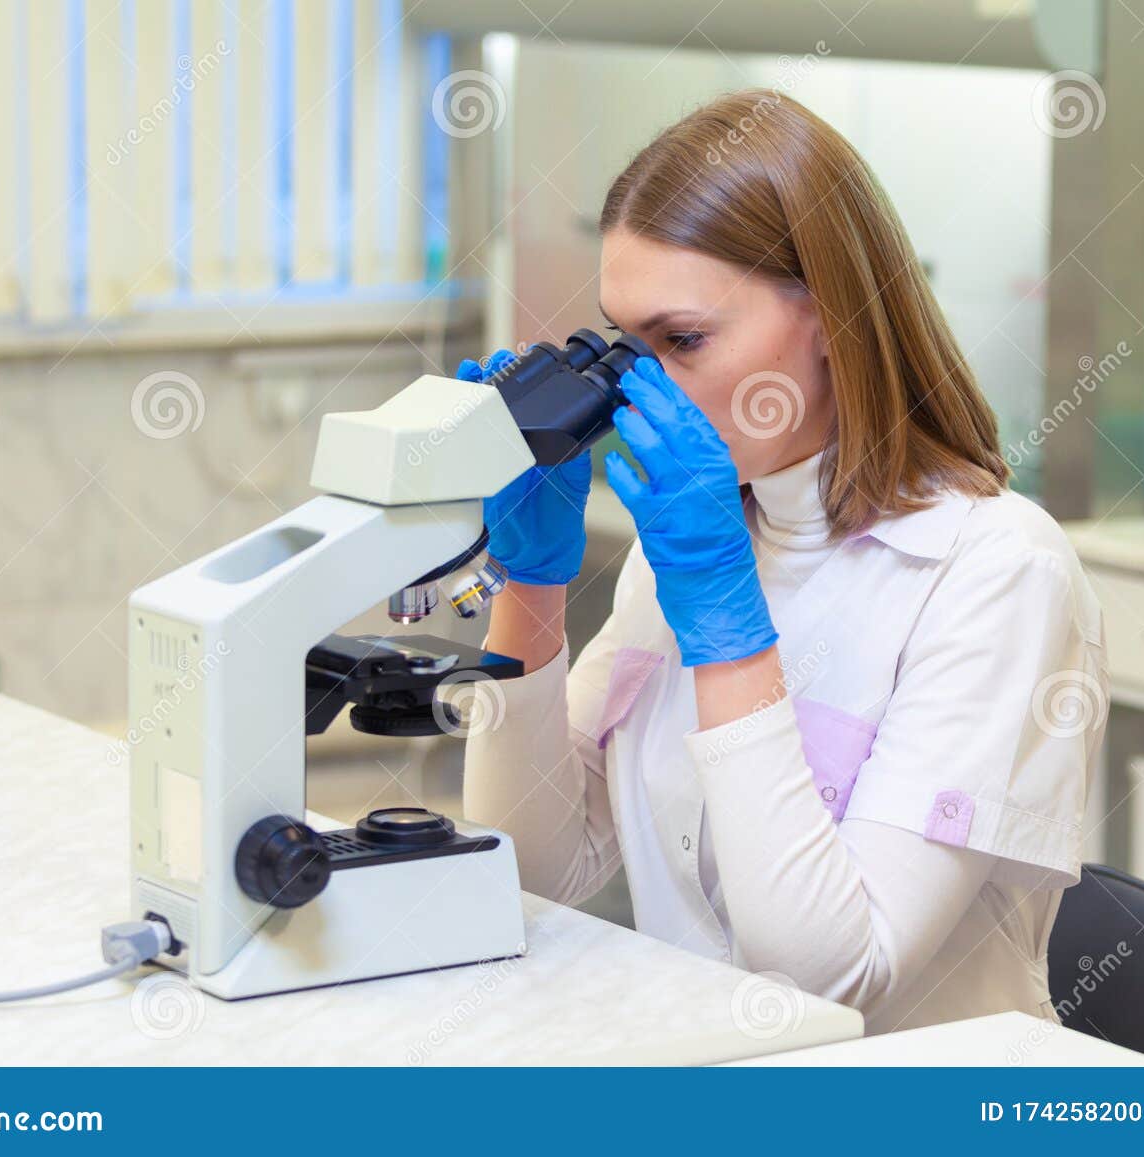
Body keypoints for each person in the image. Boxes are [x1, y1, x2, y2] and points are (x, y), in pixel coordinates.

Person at [457, 89, 1107, 1035]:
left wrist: (727, 625)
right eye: (621, 347)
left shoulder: (996, 572)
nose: (636, 392)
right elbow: (531, 871)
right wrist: (531, 593)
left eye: (681, 342)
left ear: (834, 324)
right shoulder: (686, 543)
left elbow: (830, 980)